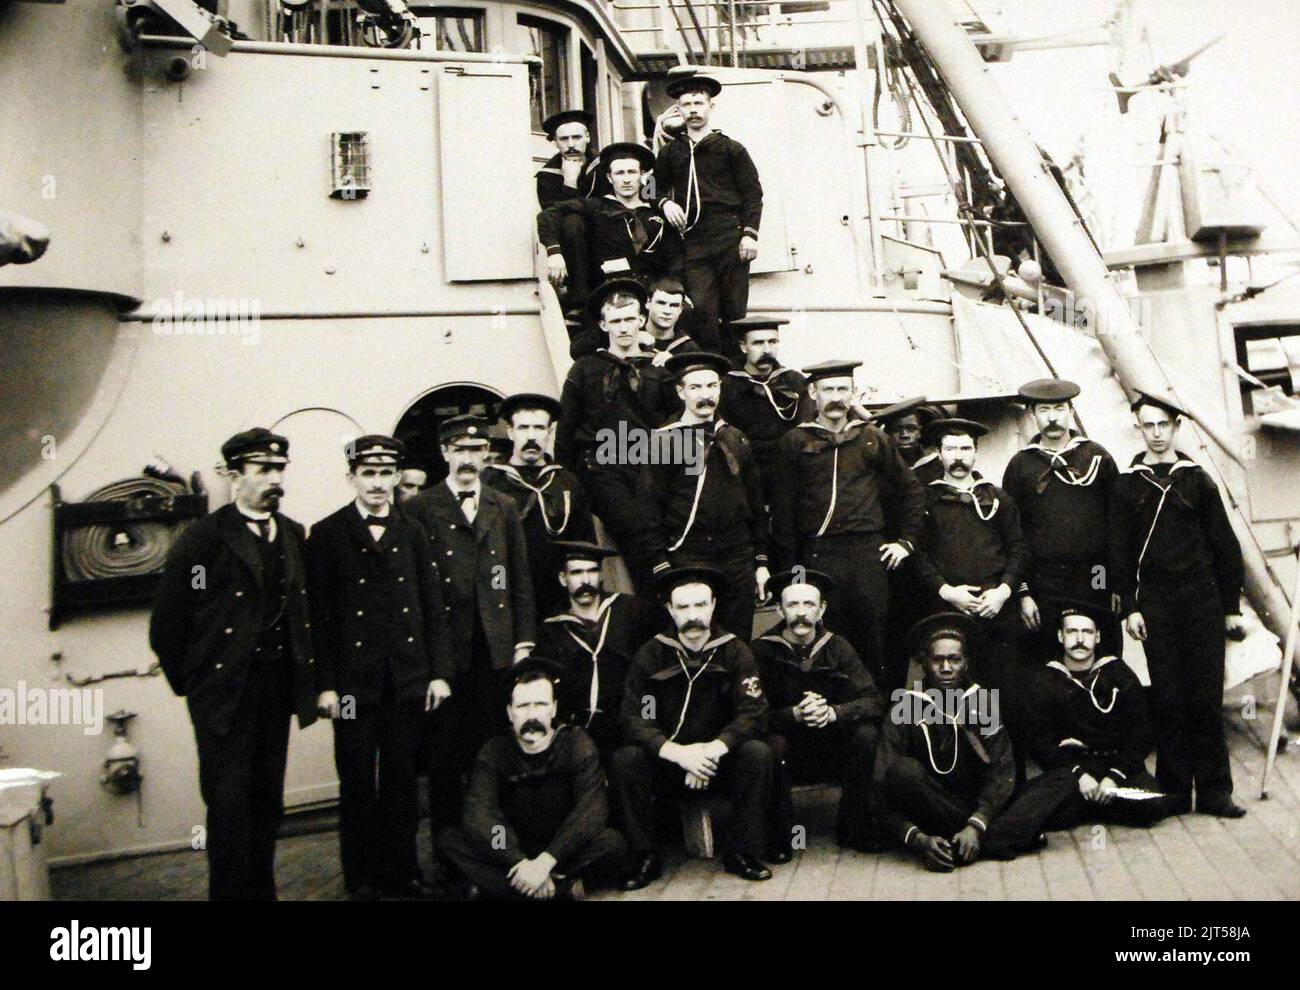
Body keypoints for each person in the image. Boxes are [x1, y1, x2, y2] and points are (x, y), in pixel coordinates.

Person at [149, 429, 318, 900]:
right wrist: (197, 686)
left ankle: (262, 894)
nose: (275, 479)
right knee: (227, 806)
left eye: (280, 469)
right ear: (232, 475)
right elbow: (168, 625)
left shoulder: (292, 534)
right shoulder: (202, 540)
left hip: (274, 688)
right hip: (224, 695)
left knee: (267, 802)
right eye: (263, 470)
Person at [305, 435, 451, 900]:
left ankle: (402, 872)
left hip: (406, 681)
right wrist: (325, 686)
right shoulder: (326, 535)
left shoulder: (414, 530)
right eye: (368, 474)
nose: (377, 484)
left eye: (385, 473)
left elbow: (433, 607)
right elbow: (319, 620)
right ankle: (362, 879)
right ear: (351, 478)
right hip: (351, 688)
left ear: (394, 478)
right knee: (356, 782)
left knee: (403, 781)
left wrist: (438, 673)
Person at [1110, 394, 1247, 818]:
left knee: (1205, 696)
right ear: (1138, 427)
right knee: (1167, 696)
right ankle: (1172, 789)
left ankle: (1213, 792)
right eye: (1147, 425)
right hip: (1155, 602)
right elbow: (1118, 553)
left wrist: (1230, 608)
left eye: (1163, 425)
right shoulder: (1127, 484)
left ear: (1175, 427)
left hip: (1201, 599)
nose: (1155, 433)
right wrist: (1130, 607)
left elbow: (1225, 546)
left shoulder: (1198, 480)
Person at [403, 415, 537, 842]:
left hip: (494, 650)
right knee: (444, 756)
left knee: (494, 748)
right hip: (446, 654)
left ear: (487, 456)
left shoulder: (504, 505)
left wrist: (523, 641)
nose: (468, 459)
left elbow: (519, 579)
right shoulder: (421, 509)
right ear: (444, 453)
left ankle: (504, 844)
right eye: (459, 450)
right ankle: (450, 853)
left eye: (476, 451)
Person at [610, 566, 779, 888]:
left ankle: (742, 851)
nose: (693, 615)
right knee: (625, 760)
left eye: (700, 605)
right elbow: (633, 718)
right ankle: (644, 855)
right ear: (670, 610)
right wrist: (678, 754)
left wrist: (713, 750)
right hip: (669, 765)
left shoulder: (735, 650)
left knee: (758, 753)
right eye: (683, 607)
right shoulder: (651, 654)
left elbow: (753, 711)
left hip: (719, 763)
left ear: (713, 605)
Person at [770, 360, 926, 682]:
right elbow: (783, 513)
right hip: (818, 555)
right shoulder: (794, 443)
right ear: (813, 393)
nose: (836, 397)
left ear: (853, 393)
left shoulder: (872, 439)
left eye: (843, 389)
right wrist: (790, 571)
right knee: (826, 639)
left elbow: (911, 490)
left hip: (867, 554)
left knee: (874, 638)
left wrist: (905, 542)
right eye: (828, 389)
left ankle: (880, 717)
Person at [982, 605, 1176, 858]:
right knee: (1035, 803)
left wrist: (1113, 777)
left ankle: (1091, 803)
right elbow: (1041, 744)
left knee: (1152, 802)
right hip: (1071, 772)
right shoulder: (1044, 680)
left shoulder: (1119, 674)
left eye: (1087, 632)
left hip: (1114, 769)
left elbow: (1141, 734)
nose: (1080, 639)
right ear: (1061, 637)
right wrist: (1080, 775)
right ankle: (1087, 805)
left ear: (1097, 637)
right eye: (1072, 632)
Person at [438, 660, 629, 900]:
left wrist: (547, 861)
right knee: (450, 841)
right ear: (510, 712)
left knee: (612, 843)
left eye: (540, 705)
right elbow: (482, 815)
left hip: (561, 849)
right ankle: (558, 889)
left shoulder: (576, 744)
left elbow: (590, 811)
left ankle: (509, 889)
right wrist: (517, 860)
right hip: (511, 847)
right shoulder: (494, 752)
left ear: (553, 709)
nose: (532, 715)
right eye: (523, 706)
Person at [911, 417, 1029, 767]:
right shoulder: (926, 499)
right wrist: (947, 591)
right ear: (939, 453)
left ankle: (1012, 779)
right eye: (951, 449)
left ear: (976, 453)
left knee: (1005, 696)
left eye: (965, 448)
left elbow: (1019, 549)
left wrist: (1004, 592)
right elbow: (918, 553)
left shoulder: (997, 498)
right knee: (953, 699)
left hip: (995, 610)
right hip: (950, 611)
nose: (958, 456)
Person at [751, 568, 884, 854]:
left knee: (866, 735)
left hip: (830, 750)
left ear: (822, 608)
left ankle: (853, 828)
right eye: (792, 604)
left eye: (809, 604)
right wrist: (793, 715)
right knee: (770, 745)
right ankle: (781, 837)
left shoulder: (838, 647)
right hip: (787, 754)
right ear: (778, 609)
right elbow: (750, 714)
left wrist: (834, 712)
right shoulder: (761, 652)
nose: (801, 613)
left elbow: (873, 701)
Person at [639, 351, 770, 638]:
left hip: (737, 556)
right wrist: (659, 561)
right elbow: (648, 509)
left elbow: (756, 506)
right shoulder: (664, 441)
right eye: (695, 387)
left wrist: (760, 562)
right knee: (693, 638)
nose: (705, 394)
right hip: (690, 556)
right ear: (680, 392)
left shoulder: (736, 438)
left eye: (711, 386)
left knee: (737, 640)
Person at [873, 613, 1018, 872]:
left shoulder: (981, 700)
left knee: (1056, 782)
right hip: (926, 808)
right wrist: (917, 839)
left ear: (966, 663)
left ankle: (971, 837)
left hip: (971, 806)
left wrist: (977, 822)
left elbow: (1003, 769)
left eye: (954, 659)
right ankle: (991, 841)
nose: (946, 668)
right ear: (924, 663)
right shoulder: (905, 704)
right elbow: (882, 778)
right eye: (937, 660)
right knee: (903, 771)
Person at [555, 278, 666, 590]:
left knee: (657, 532)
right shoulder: (585, 369)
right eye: (616, 321)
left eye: (630, 319)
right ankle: (650, 604)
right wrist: (566, 480)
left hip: (647, 464)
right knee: (636, 532)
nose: (624, 328)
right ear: (604, 325)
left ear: (642, 320)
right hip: (601, 467)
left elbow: (674, 423)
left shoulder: (658, 368)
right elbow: (566, 429)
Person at [1001, 378, 1122, 664]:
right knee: (1045, 658)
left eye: (1059, 408)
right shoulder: (1020, 465)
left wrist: (1117, 585)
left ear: (1070, 410)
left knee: (1102, 653)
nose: (1052, 417)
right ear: (1032, 415)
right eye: (1044, 410)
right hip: (1043, 581)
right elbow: (1011, 534)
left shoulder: (1097, 457)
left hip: (1095, 575)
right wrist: (1024, 593)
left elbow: (1118, 525)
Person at [654, 74, 762, 351]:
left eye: (699, 103)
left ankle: (735, 376)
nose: (693, 109)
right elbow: (650, 189)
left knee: (735, 312)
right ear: (678, 110)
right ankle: (710, 370)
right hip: (693, 241)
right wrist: (665, 203)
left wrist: (750, 234)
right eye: (686, 104)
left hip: (729, 236)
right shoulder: (670, 152)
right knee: (702, 311)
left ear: (710, 107)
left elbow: (753, 194)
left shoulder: (731, 149)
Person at [538, 541, 664, 755]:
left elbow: (655, 669)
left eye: (592, 571)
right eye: (576, 572)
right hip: (576, 735)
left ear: (601, 575)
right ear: (563, 579)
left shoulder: (633, 611)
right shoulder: (551, 631)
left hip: (627, 730)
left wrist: (648, 717)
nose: (585, 580)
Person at [484, 393, 597, 619]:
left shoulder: (566, 482)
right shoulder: (490, 482)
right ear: (510, 432)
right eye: (524, 428)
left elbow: (585, 544)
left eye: (539, 428)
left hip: (558, 597)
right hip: (508, 594)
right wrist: (497, 593)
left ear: (550, 432)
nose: (532, 436)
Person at [539, 143, 682, 319]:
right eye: (619, 173)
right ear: (609, 177)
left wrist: (677, 289)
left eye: (632, 172)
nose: (626, 179)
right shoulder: (596, 206)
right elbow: (548, 215)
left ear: (643, 175)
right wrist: (554, 252)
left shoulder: (656, 214)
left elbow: (675, 258)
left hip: (650, 295)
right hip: (608, 292)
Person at [720, 315, 810, 508]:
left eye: (772, 341)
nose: (767, 349)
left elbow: (806, 429)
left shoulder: (794, 381)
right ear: (743, 347)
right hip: (745, 471)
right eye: (758, 343)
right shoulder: (727, 386)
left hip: (787, 470)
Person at [534, 109, 611, 312]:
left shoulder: (606, 166)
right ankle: (579, 300)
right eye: (564, 139)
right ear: (555, 142)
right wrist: (569, 181)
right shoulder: (547, 175)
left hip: (607, 232)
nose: (571, 145)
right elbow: (555, 215)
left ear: (587, 137)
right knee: (572, 222)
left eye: (576, 137)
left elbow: (648, 186)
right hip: (573, 243)